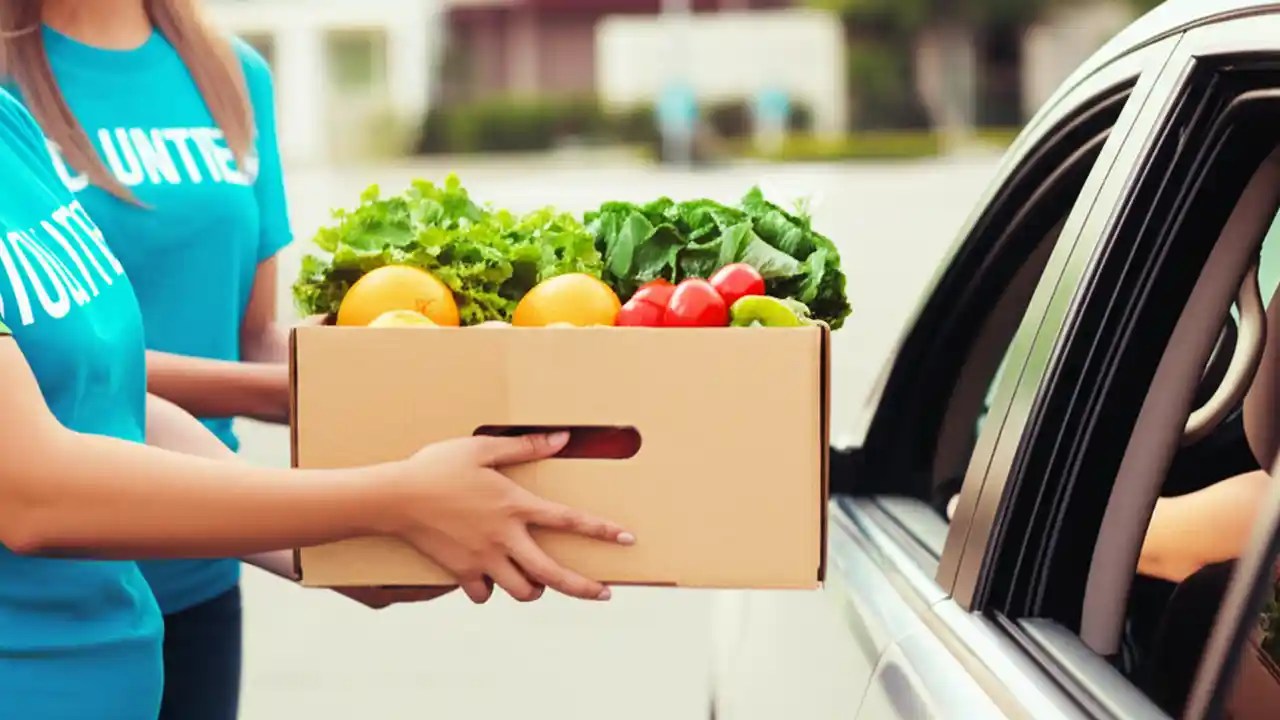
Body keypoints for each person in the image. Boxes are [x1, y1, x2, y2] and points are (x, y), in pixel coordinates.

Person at [0, 80, 632, 720]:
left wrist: (319, 547)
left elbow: (103, 398)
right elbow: (30, 491)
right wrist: (392, 500)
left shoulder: (10, 128)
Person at [2, 0, 330, 715]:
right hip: (65, 563)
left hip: (211, 548)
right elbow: (72, 374)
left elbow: (248, 334)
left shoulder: (231, 73)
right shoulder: (10, 73)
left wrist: (406, 394)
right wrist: (363, 488)